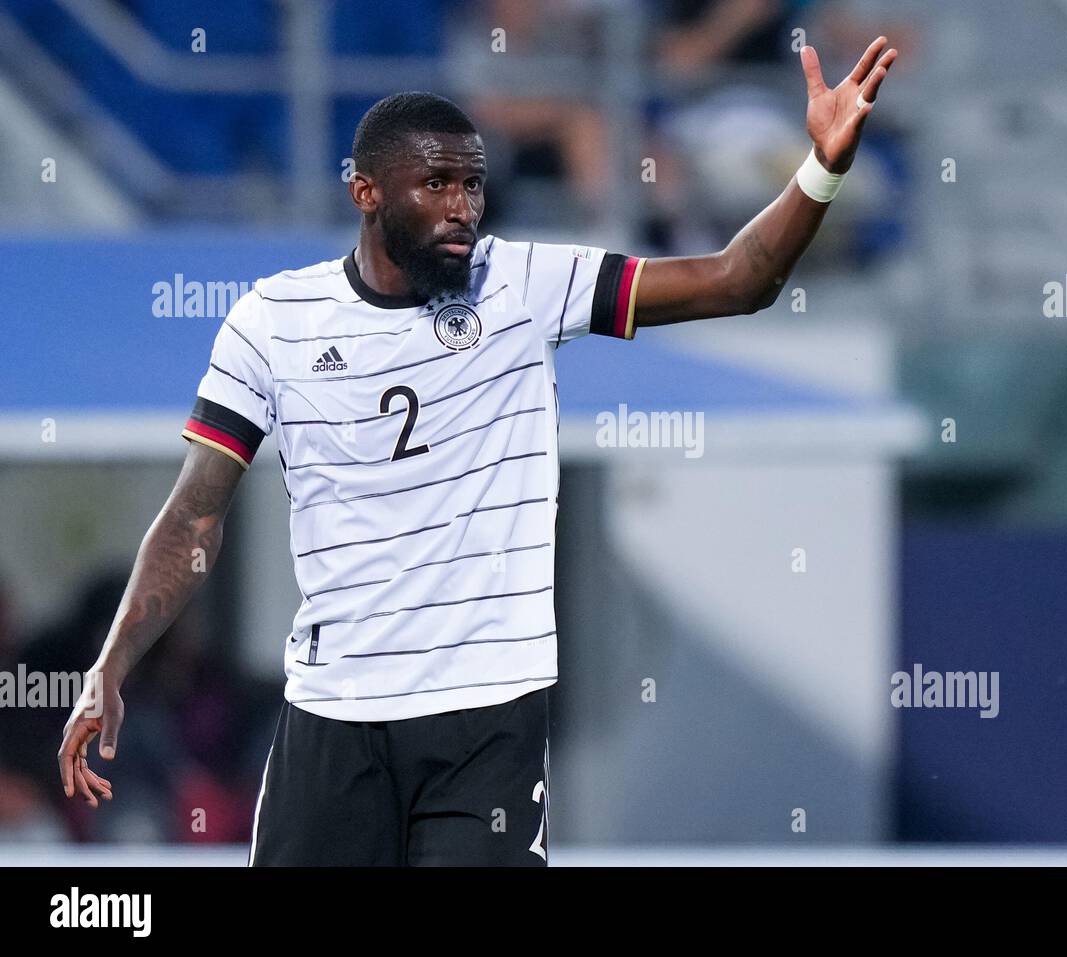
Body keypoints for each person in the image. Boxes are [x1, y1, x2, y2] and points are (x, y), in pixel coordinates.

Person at [57, 37, 899, 866]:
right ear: (366, 192)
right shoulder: (273, 320)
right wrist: (113, 662)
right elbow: (196, 516)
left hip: (485, 712)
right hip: (333, 711)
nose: (463, 207)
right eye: (437, 184)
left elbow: (734, 279)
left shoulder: (527, 284)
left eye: (473, 184)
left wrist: (819, 170)